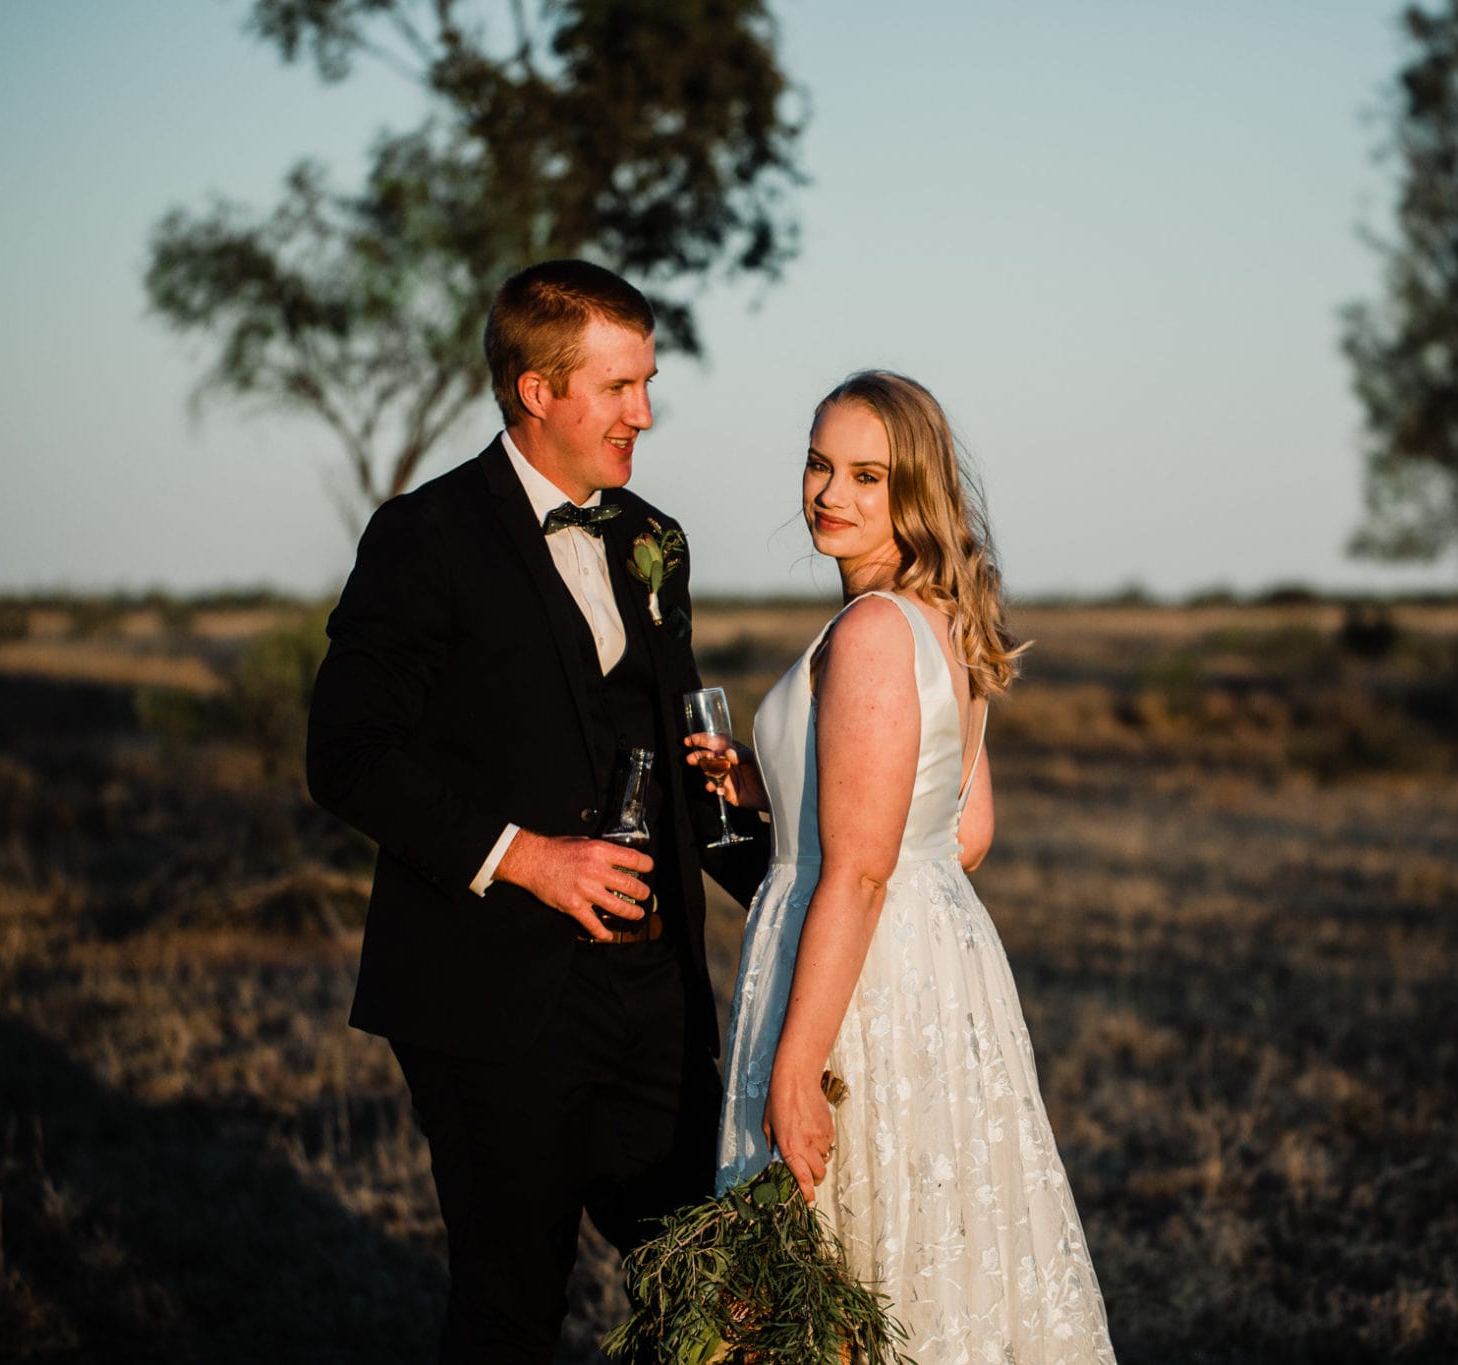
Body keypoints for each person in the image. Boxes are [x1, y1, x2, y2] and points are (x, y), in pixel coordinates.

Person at [306, 259, 768, 1363]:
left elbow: (675, 766)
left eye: (646, 383)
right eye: (617, 388)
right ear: (535, 390)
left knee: (723, 1286)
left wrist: (803, 890)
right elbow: (346, 757)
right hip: (488, 992)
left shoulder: (654, 539)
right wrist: (526, 859)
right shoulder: (424, 537)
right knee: (512, 1309)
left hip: (653, 992)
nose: (642, 414)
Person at [687, 371, 1117, 1363]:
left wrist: (795, 1067)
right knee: (920, 1257)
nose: (828, 494)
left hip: (857, 980)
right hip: (931, 970)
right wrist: (774, 785)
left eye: (865, 476)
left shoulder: (875, 629)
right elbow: (962, 832)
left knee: (817, 1278)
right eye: (818, 464)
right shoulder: (942, 621)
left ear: (912, 492)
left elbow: (861, 872)